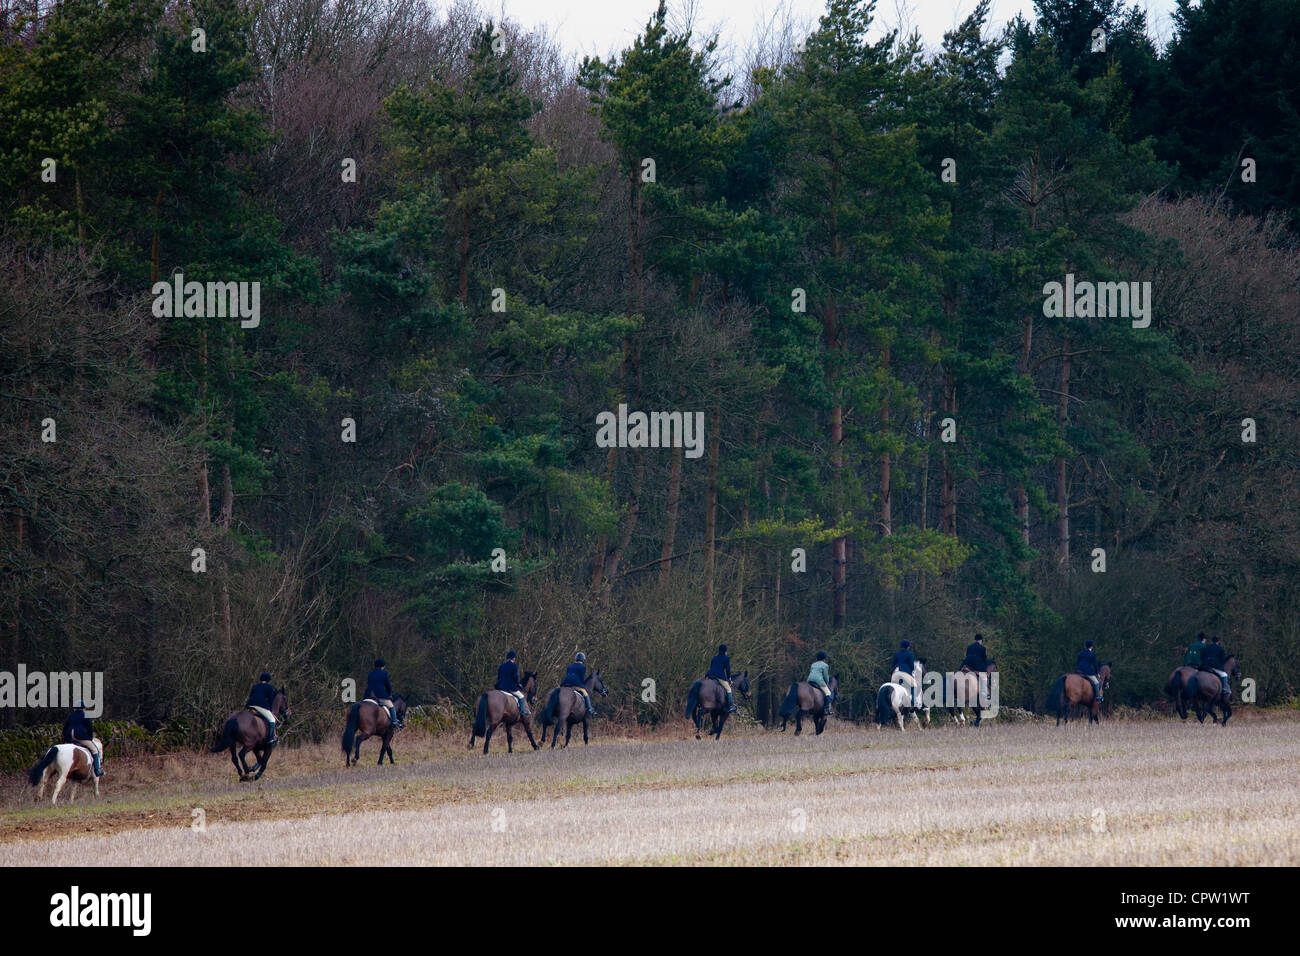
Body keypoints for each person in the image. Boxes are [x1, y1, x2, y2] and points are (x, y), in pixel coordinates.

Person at [62, 701, 104, 777]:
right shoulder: (85, 715)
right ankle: (97, 771)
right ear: (83, 708)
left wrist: (65, 739)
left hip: (69, 737)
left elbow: (65, 729)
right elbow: (90, 729)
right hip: (80, 736)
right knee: (95, 750)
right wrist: (90, 738)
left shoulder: (70, 716)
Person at [365, 658, 400, 727]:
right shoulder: (384, 673)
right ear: (382, 666)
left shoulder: (370, 673)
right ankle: (395, 723)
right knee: (391, 707)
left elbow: (369, 684)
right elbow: (388, 686)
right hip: (381, 696)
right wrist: (389, 694)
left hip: (369, 695)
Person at [246, 672, 279, 745]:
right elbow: (271, 700)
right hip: (260, 706)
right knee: (272, 720)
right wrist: (270, 710)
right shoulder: (269, 687)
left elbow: (250, 696)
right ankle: (270, 739)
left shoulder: (255, 686)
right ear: (268, 680)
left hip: (250, 705)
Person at [495, 650, 529, 717]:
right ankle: (522, 713)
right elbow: (515, 677)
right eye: (514, 657)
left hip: (500, 687)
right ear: (513, 658)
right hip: (510, 687)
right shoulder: (514, 666)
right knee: (521, 697)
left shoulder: (501, 666)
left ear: (507, 657)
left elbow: (499, 677)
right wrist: (518, 684)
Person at [561, 652, 596, 717]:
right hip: (575, 684)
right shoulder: (582, 667)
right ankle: (589, 709)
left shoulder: (570, 666)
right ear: (583, 660)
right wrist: (582, 685)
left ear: (576, 659)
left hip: (565, 684)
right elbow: (581, 678)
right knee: (585, 693)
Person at [706, 643, 736, 713]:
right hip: (719, 677)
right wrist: (729, 679)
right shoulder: (726, 658)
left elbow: (711, 667)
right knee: (728, 690)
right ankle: (730, 706)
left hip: (710, 675)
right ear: (725, 651)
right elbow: (728, 670)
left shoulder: (714, 657)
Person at [1201, 635, 1231, 699]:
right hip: (1215, 667)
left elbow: (1202, 657)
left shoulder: (1206, 647)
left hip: (1205, 666)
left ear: (1212, 641)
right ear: (1218, 641)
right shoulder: (1220, 649)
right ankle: (1224, 689)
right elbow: (1222, 661)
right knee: (1224, 675)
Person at [890, 640, 919, 707]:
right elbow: (911, 665)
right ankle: (914, 702)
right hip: (904, 672)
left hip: (895, 672)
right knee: (914, 685)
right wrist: (912, 670)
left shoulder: (896, 654)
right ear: (907, 647)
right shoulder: (910, 653)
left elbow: (893, 664)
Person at [808, 651, 833, 717]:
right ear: (824, 659)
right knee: (828, 693)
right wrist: (826, 683)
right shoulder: (825, 665)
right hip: (818, 681)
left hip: (810, 681)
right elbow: (825, 676)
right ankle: (826, 709)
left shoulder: (813, 664)